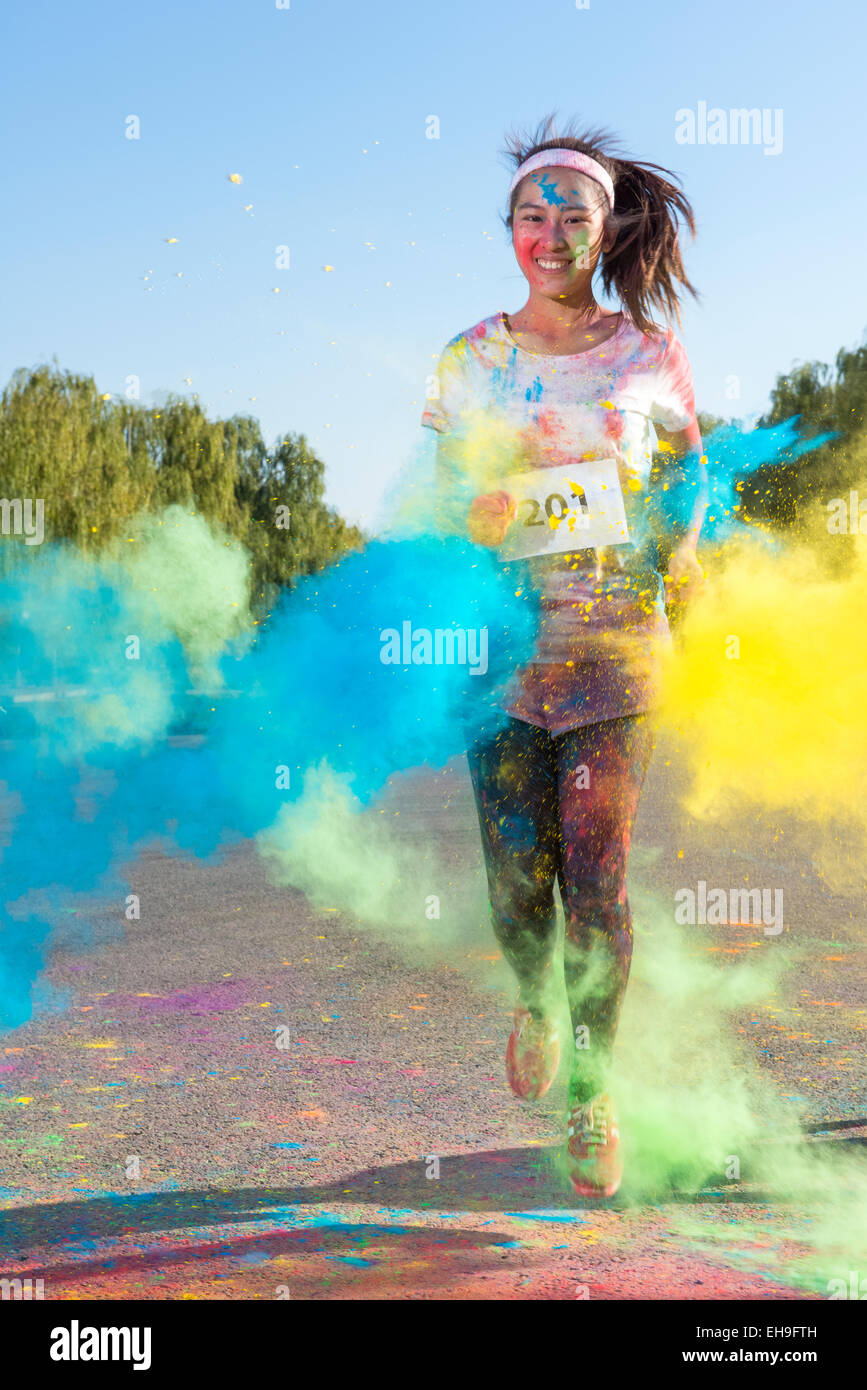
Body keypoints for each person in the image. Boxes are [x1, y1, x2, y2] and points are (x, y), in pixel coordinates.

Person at [420, 115, 708, 1198]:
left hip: (616, 651)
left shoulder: (651, 356)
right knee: (515, 887)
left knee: (598, 879)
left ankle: (593, 1090)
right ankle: (533, 994)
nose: (551, 232)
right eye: (532, 215)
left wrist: (671, 546)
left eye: (573, 216)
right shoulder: (469, 358)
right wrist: (476, 510)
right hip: (494, 656)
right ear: (510, 231)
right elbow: (441, 497)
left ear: (608, 228)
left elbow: (692, 477)